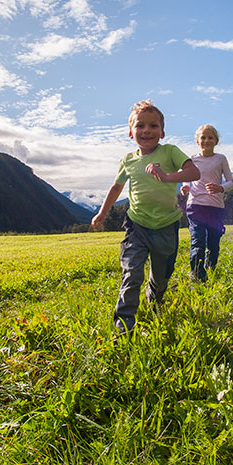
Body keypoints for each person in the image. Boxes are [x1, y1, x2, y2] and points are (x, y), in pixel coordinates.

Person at [91, 100, 200, 333]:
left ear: (162, 132)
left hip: (166, 224)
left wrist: (168, 176)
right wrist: (102, 213)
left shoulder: (169, 151)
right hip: (136, 225)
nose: (147, 130)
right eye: (140, 126)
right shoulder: (128, 161)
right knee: (132, 272)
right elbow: (116, 188)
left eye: (153, 126)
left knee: (161, 277)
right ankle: (124, 325)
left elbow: (194, 171)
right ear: (131, 133)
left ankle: (156, 298)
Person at [180, 124, 233, 281]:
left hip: (215, 206)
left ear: (216, 141)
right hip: (195, 205)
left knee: (213, 242)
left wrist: (220, 188)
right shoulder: (192, 159)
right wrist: (185, 186)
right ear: (197, 141)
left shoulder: (221, 159)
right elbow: (186, 177)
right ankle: (197, 275)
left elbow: (231, 182)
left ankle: (211, 268)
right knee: (198, 239)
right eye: (203, 137)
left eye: (210, 137)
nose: (206, 140)